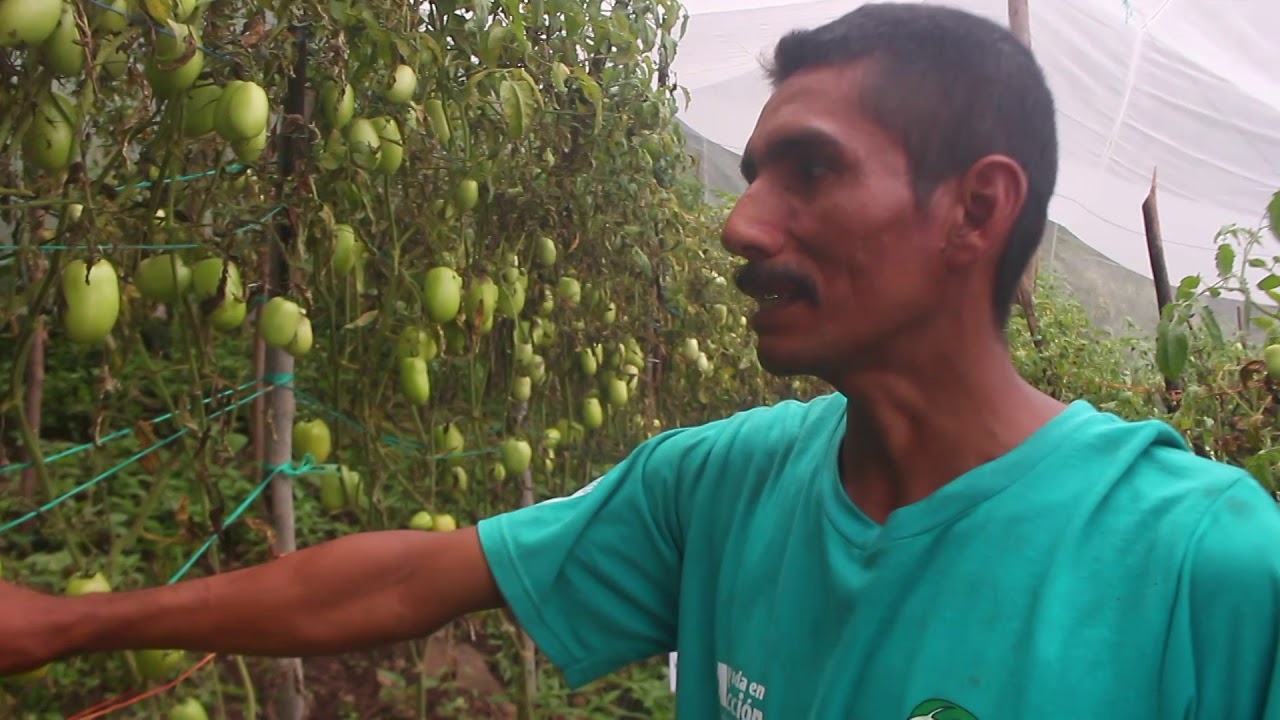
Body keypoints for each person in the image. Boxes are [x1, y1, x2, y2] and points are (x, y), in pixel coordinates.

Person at [4, 3, 1280, 718]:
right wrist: (69, 624)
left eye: (811, 171)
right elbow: (402, 581)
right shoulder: (718, 488)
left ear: (974, 210)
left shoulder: (1198, 567)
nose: (739, 223)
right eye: (750, 171)